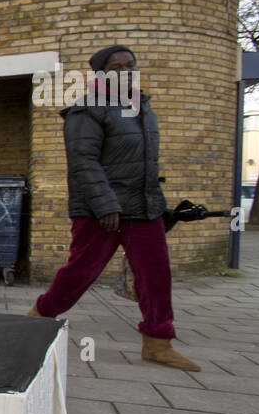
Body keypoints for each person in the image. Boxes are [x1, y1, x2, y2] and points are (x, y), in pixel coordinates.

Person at [27, 44, 201, 372]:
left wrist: (159, 206)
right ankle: (37, 318)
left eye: (130, 65)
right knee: (81, 273)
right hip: (100, 212)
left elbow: (146, 163)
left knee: (156, 275)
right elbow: (83, 161)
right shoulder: (87, 110)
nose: (124, 71)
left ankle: (158, 342)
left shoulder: (142, 109)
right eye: (116, 67)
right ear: (101, 73)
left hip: (143, 209)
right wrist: (106, 203)